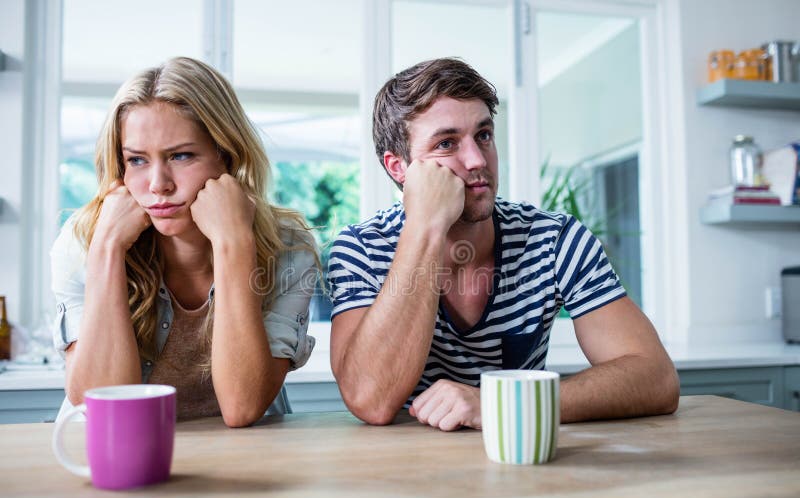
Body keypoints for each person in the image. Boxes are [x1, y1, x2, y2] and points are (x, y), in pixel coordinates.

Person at [327, 57, 679, 431]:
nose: (477, 159)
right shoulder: (361, 248)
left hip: (521, 454)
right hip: (406, 462)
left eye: (483, 135)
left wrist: (502, 404)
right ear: (399, 167)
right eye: (446, 143)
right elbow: (371, 401)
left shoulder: (553, 239)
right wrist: (426, 226)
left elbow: (656, 378)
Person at [51, 57, 319, 427]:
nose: (158, 184)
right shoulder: (83, 240)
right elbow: (100, 407)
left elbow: (242, 407)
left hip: (241, 458)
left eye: (181, 155)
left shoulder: (288, 249)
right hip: (118, 452)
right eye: (137, 160)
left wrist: (233, 243)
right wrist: (108, 249)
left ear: (227, 155)